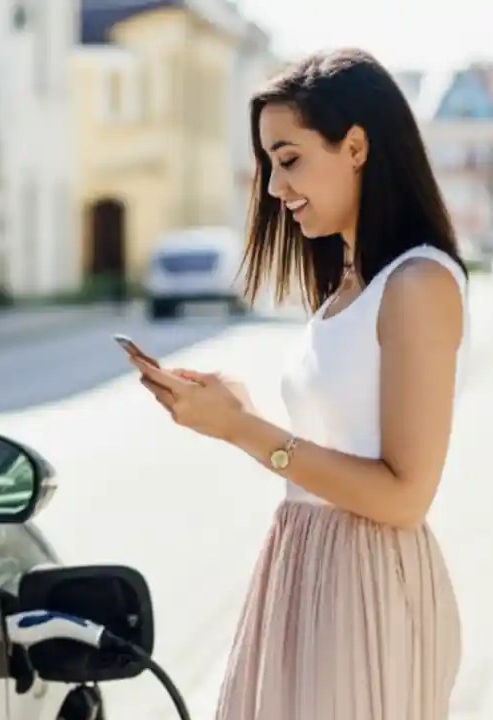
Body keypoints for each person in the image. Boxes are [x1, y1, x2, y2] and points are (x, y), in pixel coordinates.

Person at [132, 48, 467, 719]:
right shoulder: (346, 286)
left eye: (288, 160)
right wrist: (235, 412)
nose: (276, 189)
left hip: (369, 585)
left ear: (356, 146)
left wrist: (245, 430)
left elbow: (405, 496)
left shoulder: (418, 284)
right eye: (268, 166)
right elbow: (329, 447)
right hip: (305, 567)